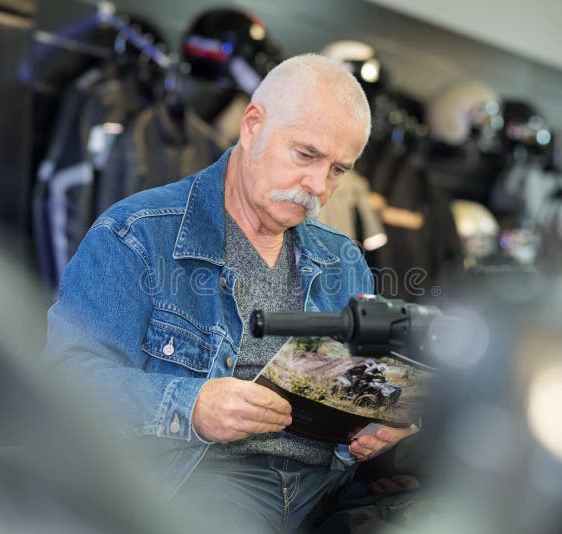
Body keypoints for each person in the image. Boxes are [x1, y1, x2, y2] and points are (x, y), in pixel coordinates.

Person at [44, 54, 417, 532]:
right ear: (253, 127)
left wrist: (380, 428)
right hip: (199, 480)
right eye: (305, 155)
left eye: (338, 169)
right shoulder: (136, 235)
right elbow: (65, 381)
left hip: (328, 489)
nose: (318, 187)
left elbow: (364, 387)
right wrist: (193, 406)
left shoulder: (343, 260)